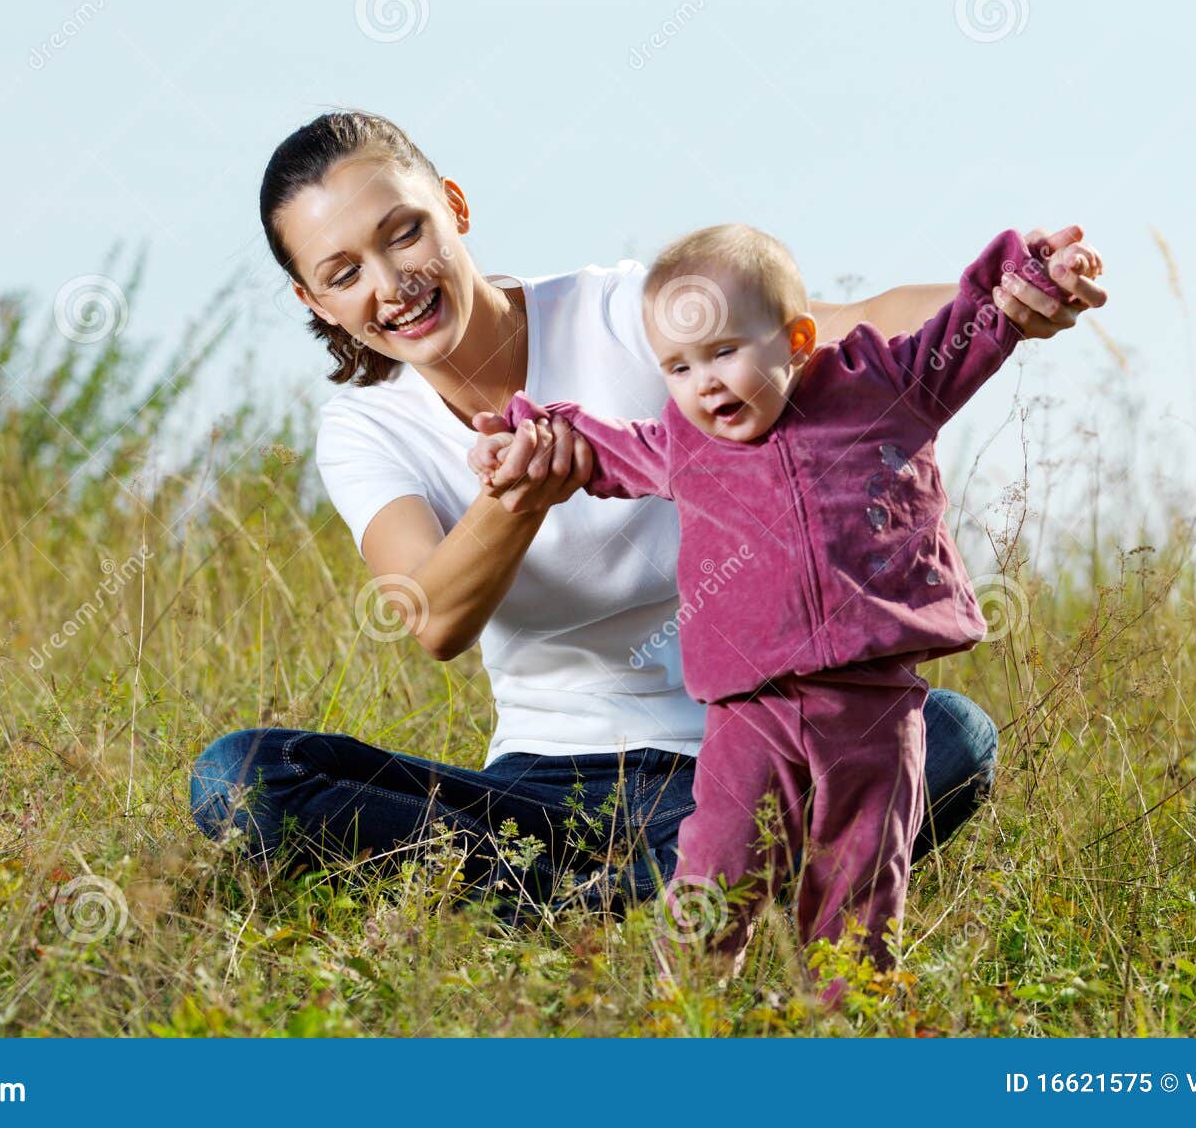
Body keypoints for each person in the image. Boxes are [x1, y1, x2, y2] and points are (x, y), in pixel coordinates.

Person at [189, 110, 1109, 916]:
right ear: (316, 302)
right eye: (343, 272)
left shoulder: (627, 311)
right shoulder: (364, 427)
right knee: (242, 779)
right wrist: (518, 500)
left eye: (405, 233)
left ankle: (639, 891)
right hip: (536, 795)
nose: (390, 283)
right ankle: (657, 892)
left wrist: (1005, 297)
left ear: (455, 210)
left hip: (750, 753)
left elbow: (849, 321)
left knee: (949, 733)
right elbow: (432, 617)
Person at [474, 222, 1089, 977]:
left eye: (724, 351)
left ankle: (845, 1016)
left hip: (873, 702)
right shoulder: (684, 443)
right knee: (717, 863)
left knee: (864, 873)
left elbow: (964, 334)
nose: (704, 381)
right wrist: (524, 437)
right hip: (747, 710)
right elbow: (596, 447)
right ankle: (687, 1004)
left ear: (796, 339)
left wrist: (1029, 279)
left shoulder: (883, 388)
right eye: (678, 366)